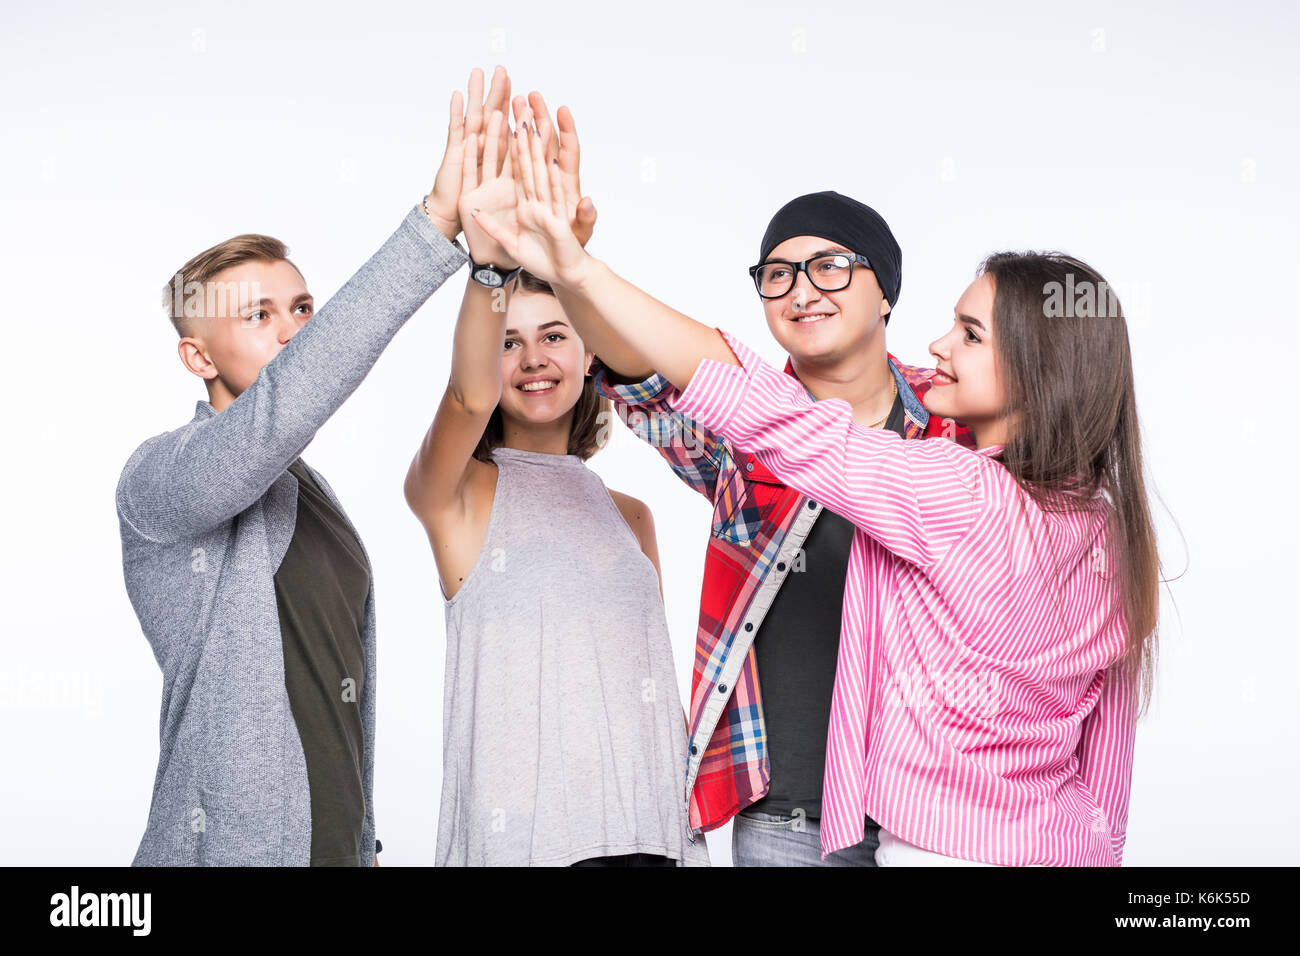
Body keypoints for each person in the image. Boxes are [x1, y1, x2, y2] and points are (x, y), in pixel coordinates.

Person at [469, 111, 1158, 865]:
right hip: (794, 813)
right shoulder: (1095, 512)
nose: (801, 290)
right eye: (777, 275)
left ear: (886, 291)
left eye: (830, 266)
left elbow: (761, 406)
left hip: (916, 827)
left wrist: (578, 270)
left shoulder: (964, 443)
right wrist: (575, 274)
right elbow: (661, 379)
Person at [116, 67, 511, 866]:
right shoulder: (158, 481)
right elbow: (281, 410)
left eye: (302, 309)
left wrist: (493, 267)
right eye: (257, 315)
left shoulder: (312, 495)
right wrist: (435, 223)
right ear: (196, 355)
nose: (294, 330)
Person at [403, 100, 708, 866]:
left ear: (585, 356)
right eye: (510, 343)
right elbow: (468, 398)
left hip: (649, 841)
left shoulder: (631, 515)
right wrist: (491, 267)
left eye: (554, 337)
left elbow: (651, 685)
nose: (534, 358)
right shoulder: (456, 494)